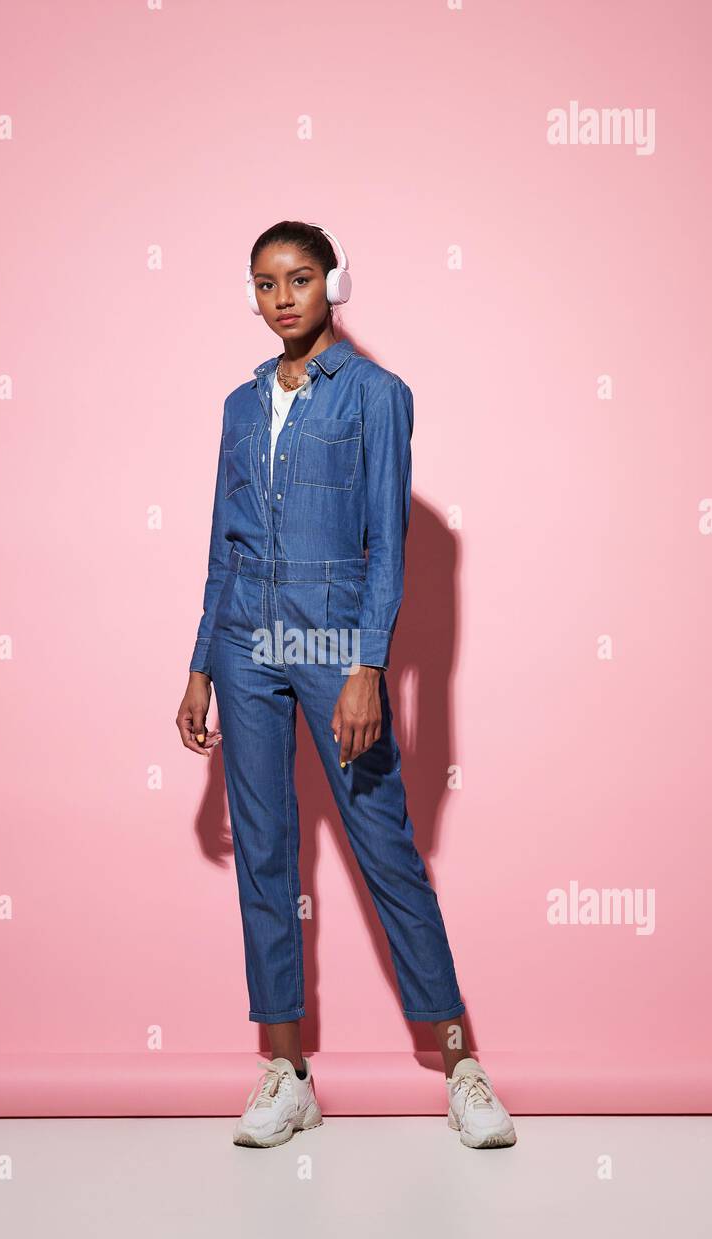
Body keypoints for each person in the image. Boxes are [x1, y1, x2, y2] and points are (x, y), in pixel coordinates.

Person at [177, 221, 516, 1151]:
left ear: (334, 284)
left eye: (299, 279)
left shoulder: (377, 395)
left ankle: (462, 1067)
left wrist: (367, 666)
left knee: (384, 848)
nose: (282, 297)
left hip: (333, 645)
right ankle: (286, 1074)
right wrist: (201, 665)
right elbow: (222, 546)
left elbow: (385, 544)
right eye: (265, 283)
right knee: (265, 854)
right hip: (243, 644)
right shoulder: (240, 406)